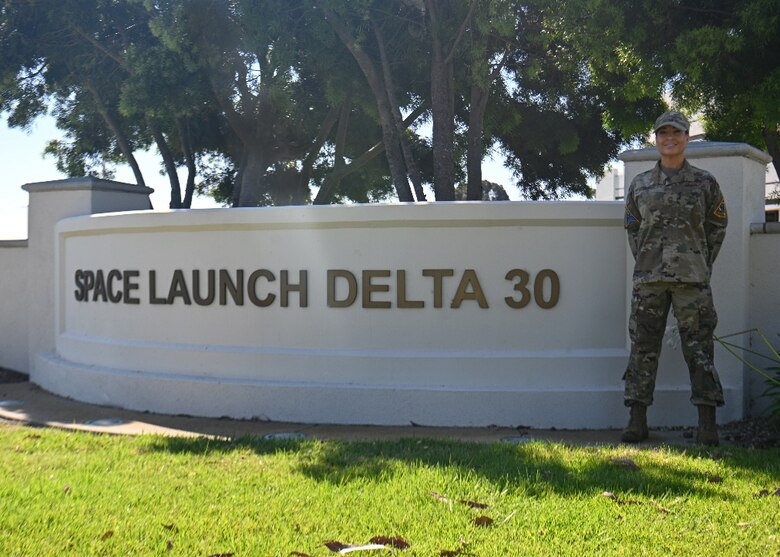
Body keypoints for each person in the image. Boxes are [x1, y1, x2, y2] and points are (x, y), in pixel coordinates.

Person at [622, 110, 728, 445]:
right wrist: (646, 260)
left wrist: (700, 262)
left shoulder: (705, 183)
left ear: (686, 138)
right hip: (649, 279)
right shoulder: (640, 184)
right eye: (663, 132)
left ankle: (707, 424)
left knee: (699, 351)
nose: (669, 138)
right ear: (655, 139)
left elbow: (717, 227)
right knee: (643, 349)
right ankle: (637, 420)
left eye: (676, 132)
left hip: (692, 280)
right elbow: (632, 227)